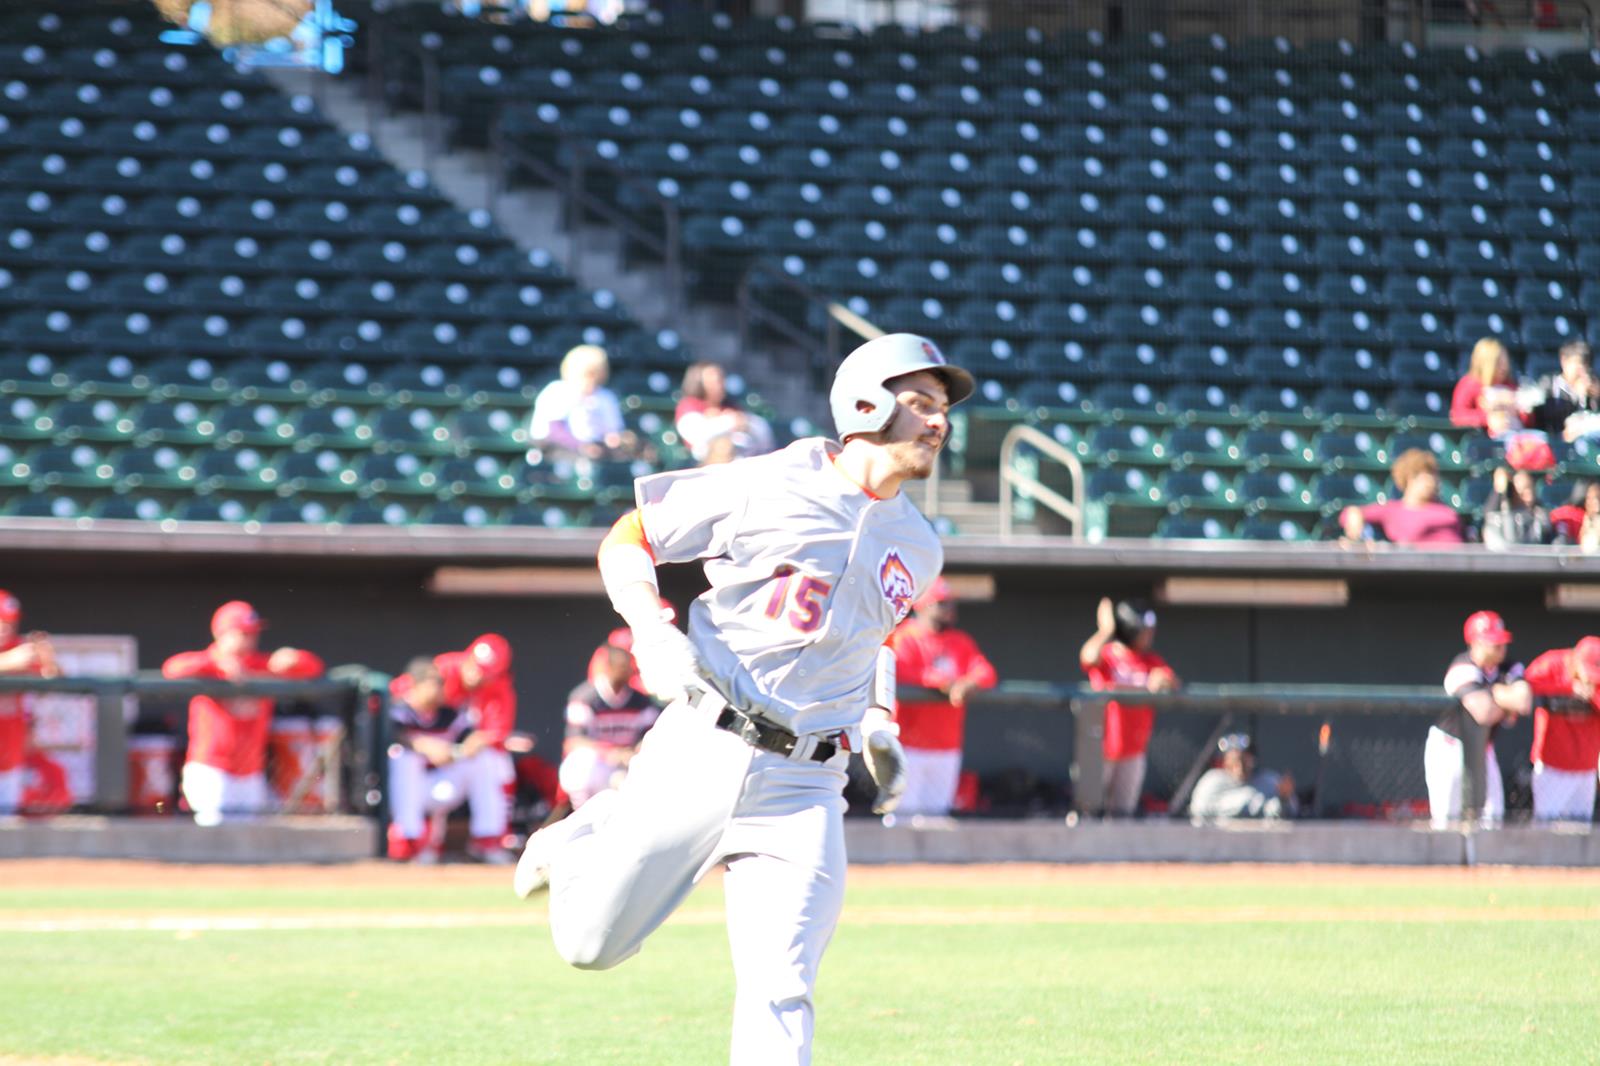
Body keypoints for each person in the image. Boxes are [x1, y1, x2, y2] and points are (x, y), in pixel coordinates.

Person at [512, 332, 973, 1066]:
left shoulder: (920, 544)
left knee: (783, 986)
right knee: (589, 947)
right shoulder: (768, 480)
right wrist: (651, 628)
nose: (938, 421)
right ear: (864, 404)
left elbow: (872, 633)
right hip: (705, 746)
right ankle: (581, 837)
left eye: (942, 407)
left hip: (807, 782)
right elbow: (630, 534)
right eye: (919, 402)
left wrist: (879, 718)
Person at [161, 601, 324, 826]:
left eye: (253, 633)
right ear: (222, 633)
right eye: (243, 633)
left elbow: (313, 668)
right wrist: (218, 663)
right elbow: (172, 668)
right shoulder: (208, 663)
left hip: (251, 773)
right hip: (211, 770)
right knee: (217, 837)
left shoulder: (260, 664)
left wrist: (294, 658)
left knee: (249, 842)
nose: (250, 638)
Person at [884, 577, 997, 818]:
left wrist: (968, 683)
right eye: (942, 603)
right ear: (923, 605)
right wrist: (944, 682)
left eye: (950, 603)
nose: (949, 608)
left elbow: (986, 672)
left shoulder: (960, 641)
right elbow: (900, 670)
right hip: (907, 745)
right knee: (900, 820)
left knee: (936, 820)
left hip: (946, 745)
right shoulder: (905, 636)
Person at [1426, 610, 1531, 829]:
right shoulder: (1462, 666)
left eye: (1502, 641)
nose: (1501, 646)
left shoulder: (1510, 666)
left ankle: (1485, 863)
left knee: (1492, 817)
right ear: (1475, 642)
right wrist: (1505, 699)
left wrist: (1492, 695)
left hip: (1484, 747)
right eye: (1494, 641)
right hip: (1450, 746)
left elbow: (1523, 702)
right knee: (1447, 819)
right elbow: (1484, 713)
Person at [1079, 597, 1179, 818]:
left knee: (1122, 816)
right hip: (1100, 747)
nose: (1149, 635)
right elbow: (1087, 656)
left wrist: (1164, 679)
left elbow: (1172, 680)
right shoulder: (1107, 656)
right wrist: (1106, 630)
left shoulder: (1150, 661)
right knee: (1088, 812)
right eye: (1144, 630)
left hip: (1133, 750)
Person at [385, 656, 486, 862]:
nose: (440, 687)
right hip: (402, 792)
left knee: (486, 759)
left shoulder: (449, 714)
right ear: (414, 685)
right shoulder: (399, 711)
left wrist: (462, 750)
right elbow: (397, 737)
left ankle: (488, 839)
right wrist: (426, 746)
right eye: (434, 682)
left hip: (440, 783)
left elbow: (473, 737)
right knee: (402, 756)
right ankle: (409, 838)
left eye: (441, 682)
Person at [430, 633, 519, 863]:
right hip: (427, 757)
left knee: (496, 762)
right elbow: (404, 701)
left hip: (461, 759)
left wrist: (477, 741)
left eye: (485, 672)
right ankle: (422, 843)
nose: (476, 675)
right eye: (473, 666)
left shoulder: (500, 687)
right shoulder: (442, 668)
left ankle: (489, 840)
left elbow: (496, 732)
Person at [559, 641, 662, 810]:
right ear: (606, 667)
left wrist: (633, 751)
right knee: (580, 764)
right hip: (599, 764)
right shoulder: (585, 697)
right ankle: (582, 813)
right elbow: (574, 741)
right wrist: (610, 752)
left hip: (627, 763)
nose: (624, 670)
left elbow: (652, 735)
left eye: (627, 665)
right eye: (619, 665)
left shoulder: (641, 701)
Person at [1521, 637, 1600, 823]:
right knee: (1546, 830)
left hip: (1586, 770)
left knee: (1581, 833)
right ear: (1575, 659)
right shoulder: (1552, 663)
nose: (1591, 678)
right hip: (1552, 768)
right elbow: (1525, 685)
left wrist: (1592, 695)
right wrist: (1568, 688)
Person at [526, 343, 646, 463]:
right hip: (556, 449)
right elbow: (555, 431)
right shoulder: (556, 391)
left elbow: (612, 431)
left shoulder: (605, 396)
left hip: (596, 449)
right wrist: (582, 446)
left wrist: (616, 439)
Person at [0, 589, 59, 815]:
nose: (5, 628)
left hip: (11, 757)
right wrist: (7, 662)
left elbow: (54, 680)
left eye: (10, 622)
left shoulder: (19, 649)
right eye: (0, 621)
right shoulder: (14, 655)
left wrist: (48, 662)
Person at [1339, 448, 1465, 545]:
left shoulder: (1444, 509)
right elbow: (1350, 514)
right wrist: (1354, 515)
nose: (1431, 481)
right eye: (1423, 476)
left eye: (1433, 475)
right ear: (1409, 479)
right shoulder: (1393, 510)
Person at [674, 361, 775, 464]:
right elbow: (697, 435)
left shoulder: (731, 407)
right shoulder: (689, 405)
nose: (719, 384)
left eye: (721, 379)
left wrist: (744, 423)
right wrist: (728, 422)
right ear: (699, 383)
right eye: (712, 381)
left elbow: (763, 432)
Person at [1188, 733, 1298, 823]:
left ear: (1253, 760)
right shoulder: (1212, 781)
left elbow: (1288, 812)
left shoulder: (1269, 781)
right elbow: (1198, 810)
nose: (1240, 766)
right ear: (1225, 761)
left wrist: (1284, 800)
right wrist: (1249, 804)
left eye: (1245, 760)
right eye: (1235, 760)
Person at [1450, 337, 1527, 436]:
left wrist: (1520, 409)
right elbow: (1458, 416)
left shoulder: (1510, 385)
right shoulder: (1469, 384)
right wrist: (1487, 419)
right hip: (1484, 441)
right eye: (1498, 362)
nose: (1504, 367)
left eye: (1505, 361)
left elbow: (1526, 420)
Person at [1533, 341, 1600, 442]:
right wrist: (1576, 397)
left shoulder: (1593, 386)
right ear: (1564, 361)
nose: (1581, 370)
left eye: (1585, 364)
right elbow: (1547, 418)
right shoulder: (1549, 385)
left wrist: (1595, 398)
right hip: (1555, 442)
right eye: (1577, 363)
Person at [1481, 465, 1553, 549]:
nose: (1529, 497)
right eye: (1522, 493)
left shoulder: (1540, 515)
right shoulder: (1503, 514)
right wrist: (1499, 490)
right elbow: (1489, 515)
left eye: (1531, 490)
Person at [1551, 480, 1600, 551]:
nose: (1595, 502)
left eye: (1598, 498)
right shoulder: (1576, 520)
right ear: (1585, 502)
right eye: (1590, 498)